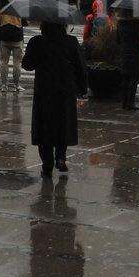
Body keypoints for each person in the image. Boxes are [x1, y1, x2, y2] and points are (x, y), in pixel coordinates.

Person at [22, 21, 87, 178]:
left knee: (44, 126)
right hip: (65, 89)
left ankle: (47, 166)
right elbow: (80, 66)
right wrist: (83, 88)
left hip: (44, 89)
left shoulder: (37, 42)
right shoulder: (71, 41)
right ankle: (60, 157)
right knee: (63, 123)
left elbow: (27, 65)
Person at [115, 10, 139, 111]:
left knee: (126, 77)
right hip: (136, 54)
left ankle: (125, 102)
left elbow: (118, 40)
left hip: (124, 53)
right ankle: (131, 103)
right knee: (135, 77)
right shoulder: (135, 24)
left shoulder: (120, 24)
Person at [0, 9, 27, 92]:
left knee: (4, 61)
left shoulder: (1, 7)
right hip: (17, 36)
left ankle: (4, 84)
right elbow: (25, 23)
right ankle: (16, 84)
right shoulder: (20, 8)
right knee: (17, 61)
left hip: (4, 36)